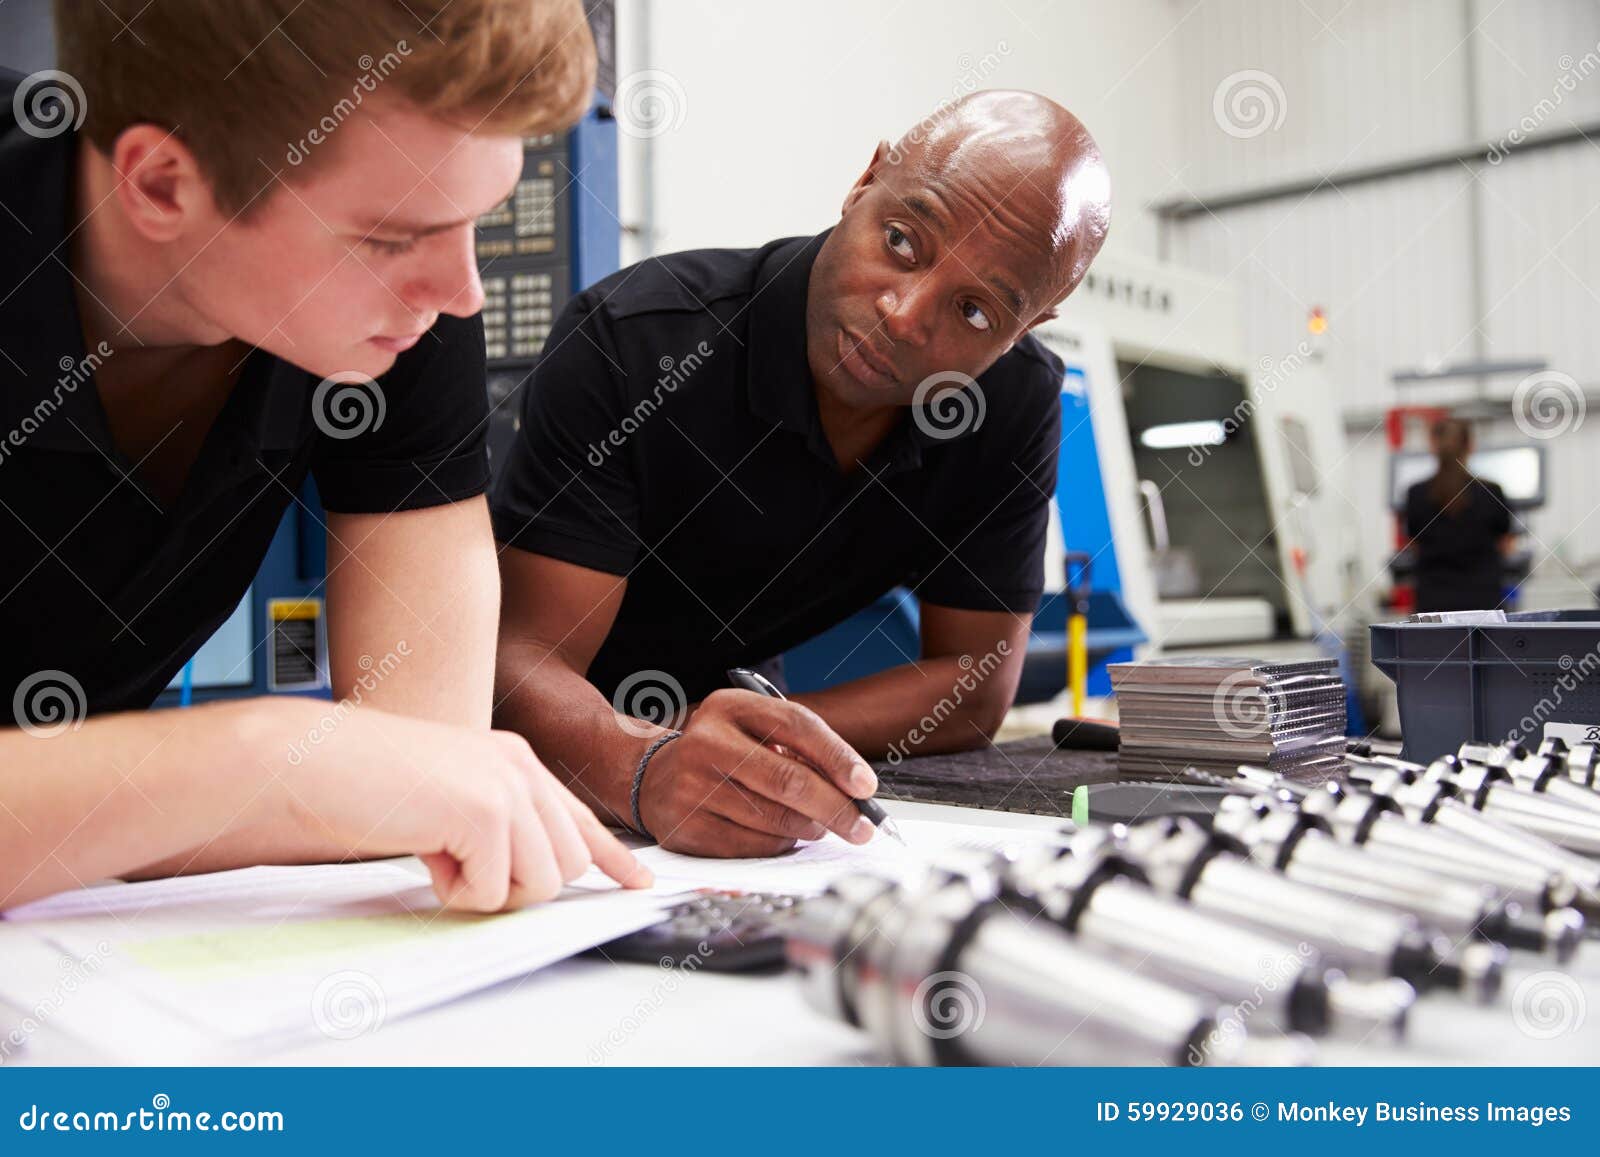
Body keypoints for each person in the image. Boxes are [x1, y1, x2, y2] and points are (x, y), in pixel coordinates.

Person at [0, 0, 648, 912]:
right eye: (391, 235)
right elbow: (371, 781)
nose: (461, 295)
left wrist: (141, 796)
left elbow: (419, 767)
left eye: (475, 220)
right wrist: (256, 761)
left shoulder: (409, 312)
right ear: (158, 185)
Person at [492, 90, 1111, 858]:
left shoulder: (1012, 400)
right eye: (902, 240)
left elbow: (974, 682)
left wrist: (763, 739)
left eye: (978, 312)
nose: (905, 313)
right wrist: (648, 762)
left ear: (1029, 324)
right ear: (866, 180)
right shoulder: (632, 344)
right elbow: (519, 663)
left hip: (724, 748)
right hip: (556, 765)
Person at [1403, 418, 1514, 613]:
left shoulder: (1416, 494)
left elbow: (1414, 545)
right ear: (1470, 446)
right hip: (1484, 605)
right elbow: (1506, 545)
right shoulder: (1492, 491)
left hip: (1433, 608)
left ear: (1433, 446)